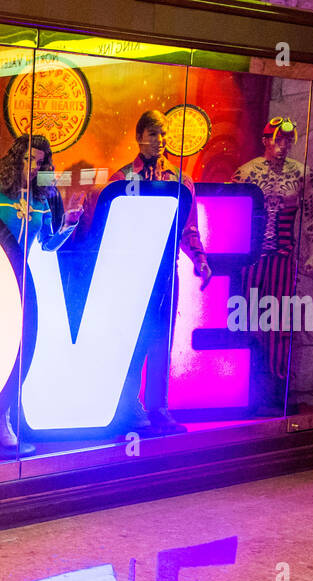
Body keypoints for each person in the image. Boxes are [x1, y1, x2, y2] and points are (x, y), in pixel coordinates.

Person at [106, 110, 214, 437]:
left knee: (161, 340)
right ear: (139, 136)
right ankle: (125, 405)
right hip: (133, 272)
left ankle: (158, 407)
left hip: (167, 271)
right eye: (153, 133)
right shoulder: (122, 178)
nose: (159, 140)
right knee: (132, 338)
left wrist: (200, 258)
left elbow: (188, 228)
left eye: (163, 134)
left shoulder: (181, 180)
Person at [0, 134, 83, 454]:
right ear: (15, 160)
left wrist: (70, 225)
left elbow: (47, 245)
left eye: (40, 163)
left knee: (15, 354)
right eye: (28, 160)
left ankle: (2, 420)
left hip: (23, 282)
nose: (33, 168)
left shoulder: (41, 200)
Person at [232, 116, 313, 416]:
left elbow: (310, 216)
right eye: (277, 139)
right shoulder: (246, 173)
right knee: (245, 316)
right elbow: (233, 214)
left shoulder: (302, 174)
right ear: (265, 140)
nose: (282, 145)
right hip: (250, 259)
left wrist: (311, 254)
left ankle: (274, 387)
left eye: (288, 140)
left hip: (283, 255)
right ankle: (243, 385)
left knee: (280, 320)